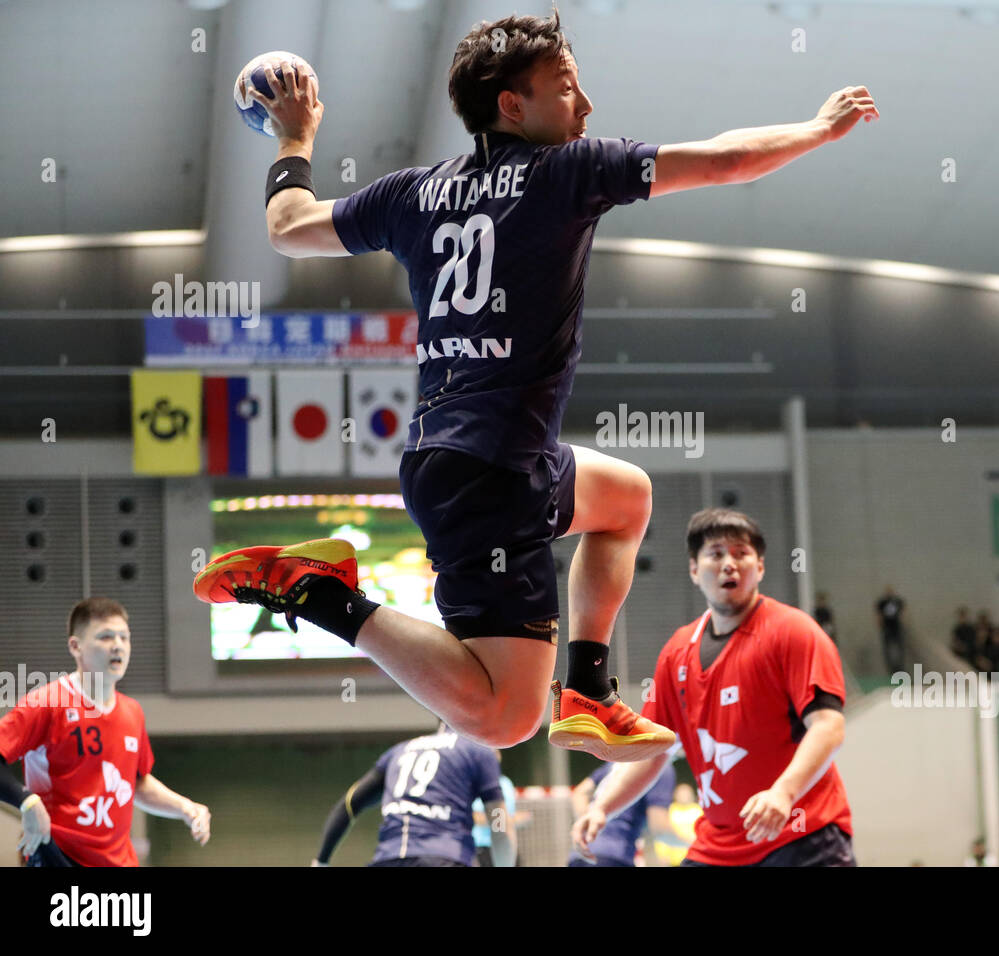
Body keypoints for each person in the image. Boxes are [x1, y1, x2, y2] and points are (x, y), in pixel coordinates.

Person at [192, 10, 879, 761]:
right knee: (504, 718)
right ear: (511, 105)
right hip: (495, 477)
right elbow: (721, 161)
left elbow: (288, 227)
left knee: (626, 497)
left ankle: (588, 688)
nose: (585, 108)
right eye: (567, 88)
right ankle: (321, 594)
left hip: (471, 458)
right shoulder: (567, 174)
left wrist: (296, 137)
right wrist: (816, 129)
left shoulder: (411, 194)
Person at [571, 509, 854, 867]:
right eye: (716, 554)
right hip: (719, 846)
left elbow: (829, 726)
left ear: (760, 567)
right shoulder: (676, 652)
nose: (729, 564)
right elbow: (654, 750)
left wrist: (783, 793)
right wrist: (603, 807)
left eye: (741, 553)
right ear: (694, 569)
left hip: (802, 837)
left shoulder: (794, 632)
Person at [0, 598, 211, 866]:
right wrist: (26, 801)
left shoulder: (132, 712)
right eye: (105, 637)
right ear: (76, 646)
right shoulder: (47, 703)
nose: (118, 645)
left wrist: (185, 807)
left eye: (124, 637)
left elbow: (134, 783)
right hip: (57, 856)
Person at [311, 724, 514, 867]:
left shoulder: (398, 751)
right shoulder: (479, 751)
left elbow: (348, 804)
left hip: (387, 859)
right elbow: (499, 824)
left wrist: (321, 860)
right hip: (444, 858)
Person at [566, 759, 675, 867]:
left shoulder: (617, 763)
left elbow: (580, 792)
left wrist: (589, 821)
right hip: (614, 855)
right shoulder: (658, 765)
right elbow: (660, 828)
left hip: (579, 854)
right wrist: (690, 842)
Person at [470, 751, 526, 866]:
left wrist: (512, 819)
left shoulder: (506, 783)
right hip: (485, 846)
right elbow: (475, 817)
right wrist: (507, 821)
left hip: (508, 843)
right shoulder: (475, 783)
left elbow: (504, 814)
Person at [653, 782, 703, 866]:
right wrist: (662, 855)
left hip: (695, 858)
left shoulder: (699, 811)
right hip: (673, 861)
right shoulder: (669, 811)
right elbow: (662, 833)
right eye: (681, 793)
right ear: (675, 795)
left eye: (686, 793)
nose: (684, 796)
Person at [876, 586, 905, 673]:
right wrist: (880, 624)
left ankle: (900, 666)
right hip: (887, 628)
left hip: (896, 628)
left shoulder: (897, 602)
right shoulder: (882, 603)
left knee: (899, 648)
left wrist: (903, 622)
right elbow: (879, 614)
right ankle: (890, 668)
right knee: (888, 649)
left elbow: (903, 612)